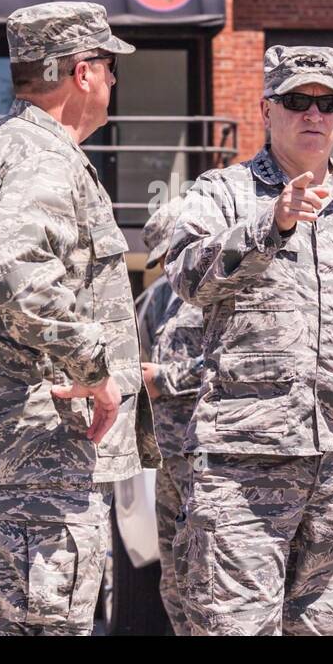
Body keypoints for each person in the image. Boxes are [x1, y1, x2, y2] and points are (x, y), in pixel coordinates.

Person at [165, 45, 333, 635]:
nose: (312, 113)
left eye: (325, 102)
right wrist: (269, 225)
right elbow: (187, 277)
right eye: (296, 100)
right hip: (244, 471)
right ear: (266, 108)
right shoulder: (220, 194)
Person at [0, 2, 144, 635]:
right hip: (39, 459)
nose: (111, 84)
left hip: (1, 451)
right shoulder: (43, 159)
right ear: (82, 72)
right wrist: (93, 369)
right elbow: (15, 271)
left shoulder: (1, 152)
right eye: (109, 68)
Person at [135, 195, 204, 635]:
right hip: (169, 467)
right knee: (175, 580)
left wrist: (166, 378)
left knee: (212, 579)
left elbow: (239, 364)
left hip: (212, 466)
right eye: (162, 261)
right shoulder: (157, 299)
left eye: (174, 255)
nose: (168, 268)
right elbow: (135, 362)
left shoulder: (224, 290)